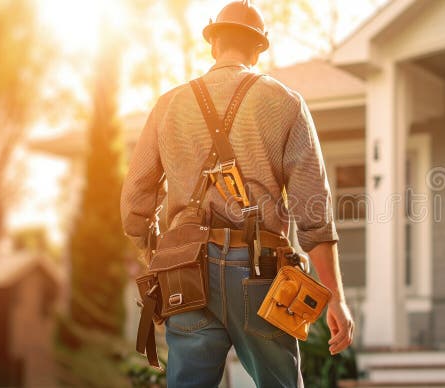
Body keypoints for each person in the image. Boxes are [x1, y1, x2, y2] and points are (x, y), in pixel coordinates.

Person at [119, 1, 354, 386]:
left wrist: (158, 255)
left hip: (185, 272)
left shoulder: (168, 106)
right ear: (259, 48)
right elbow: (313, 210)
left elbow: (134, 206)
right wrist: (336, 299)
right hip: (261, 273)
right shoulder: (286, 102)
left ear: (213, 44)